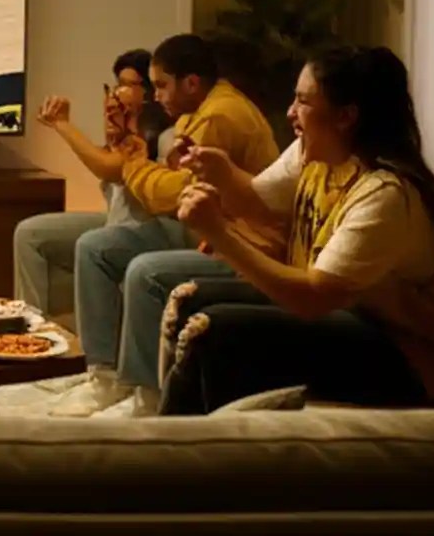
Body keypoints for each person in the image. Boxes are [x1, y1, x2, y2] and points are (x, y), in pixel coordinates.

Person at [154, 46, 434, 414]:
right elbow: (258, 202)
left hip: (411, 354)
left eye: (303, 101)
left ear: (345, 116)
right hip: (351, 312)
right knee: (190, 300)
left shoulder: (386, 194)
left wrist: (219, 234)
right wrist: (221, 172)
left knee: (212, 331)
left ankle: (176, 446)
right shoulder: (315, 152)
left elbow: (313, 298)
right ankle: (171, 435)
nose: (290, 112)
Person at [54, 33, 282, 417]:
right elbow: (172, 179)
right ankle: (104, 376)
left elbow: (174, 196)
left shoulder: (220, 115)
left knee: (145, 271)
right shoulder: (199, 110)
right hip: (204, 231)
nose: (156, 95)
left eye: (160, 85)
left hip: (239, 243)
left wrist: (133, 163)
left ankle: (147, 396)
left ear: (190, 82)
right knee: (94, 247)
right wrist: (137, 156)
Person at [16, 49, 172, 317]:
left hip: (150, 231)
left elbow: (110, 168)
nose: (116, 94)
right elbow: (106, 157)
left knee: (93, 243)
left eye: (127, 85)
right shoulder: (124, 124)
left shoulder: (159, 132)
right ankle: (32, 323)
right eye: (117, 84)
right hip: (116, 221)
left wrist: (63, 125)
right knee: (30, 234)